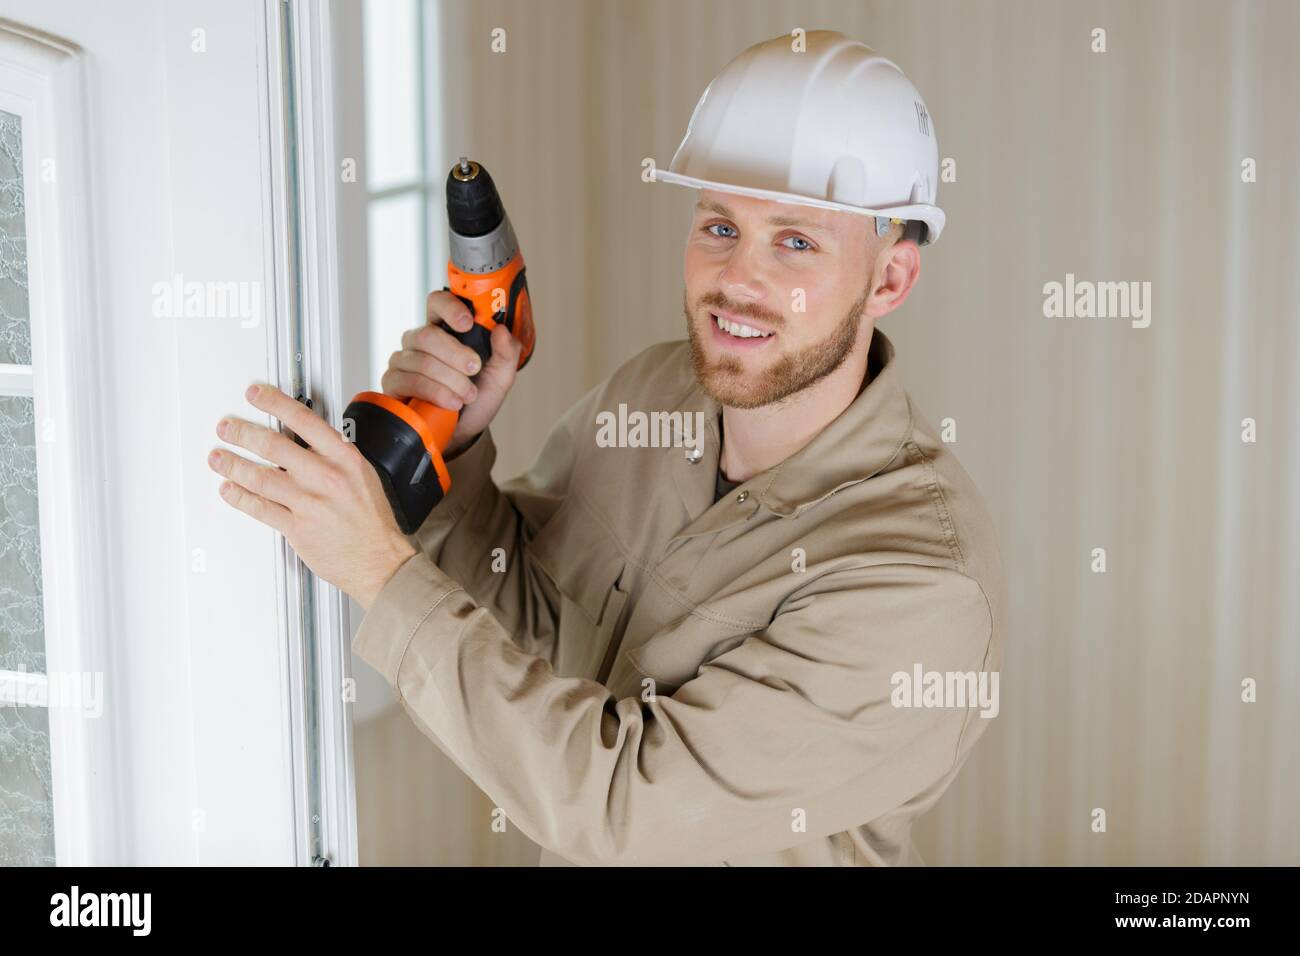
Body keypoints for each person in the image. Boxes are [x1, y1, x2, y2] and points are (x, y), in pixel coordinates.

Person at [211, 30, 1006, 866]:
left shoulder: (918, 583)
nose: (738, 279)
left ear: (889, 279)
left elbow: (625, 811)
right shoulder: (651, 398)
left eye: (797, 242)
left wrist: (379, 571)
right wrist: (452, 457)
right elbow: (534, 623)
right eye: (719, 225)